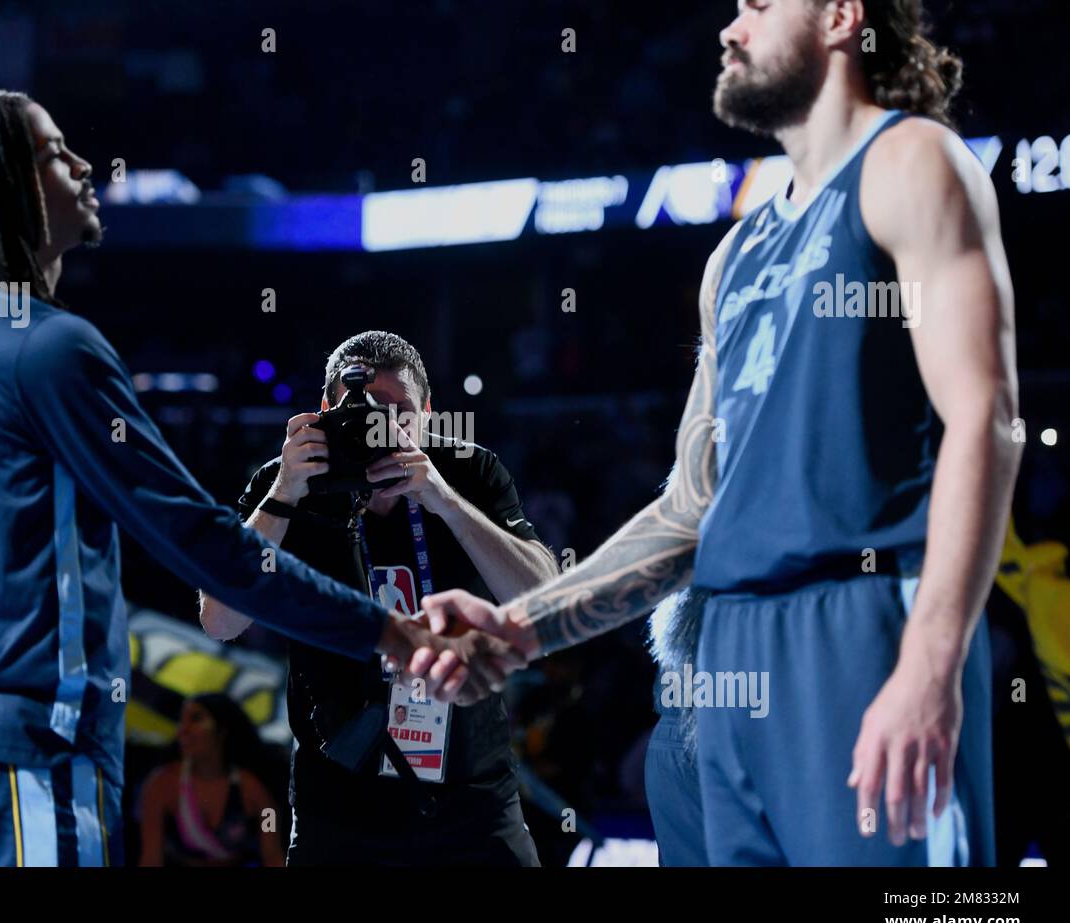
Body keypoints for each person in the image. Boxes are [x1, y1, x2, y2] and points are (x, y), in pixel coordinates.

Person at [422, 0, 1019, 866]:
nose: (730, 29)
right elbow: (687, 510)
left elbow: (987, 419)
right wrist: (514, 628)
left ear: (842, 17)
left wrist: (929, 665)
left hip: (862, 629)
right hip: (730, 656)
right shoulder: (735, 257)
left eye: (758, 6)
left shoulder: (911, 161)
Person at [0, 91, 521, 867]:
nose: (84, 165)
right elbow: (200, 542)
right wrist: (386, 631)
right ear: (1, 184)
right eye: (53, 152)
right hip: (33, 747)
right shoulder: (50, 349)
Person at [199, 331, 558, 866]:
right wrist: (283, 498)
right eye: (364, 409)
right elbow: (218, 621)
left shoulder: (467, 471)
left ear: (430, 415)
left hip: (471, 798)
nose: (382, 427)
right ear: (325, 410)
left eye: (400, 412)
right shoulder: (287, 484)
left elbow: (547, 606)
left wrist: (445, 502)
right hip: (339, 808)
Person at [139, 694, 284, 867]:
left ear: (222, 730)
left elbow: (273, 856)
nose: (182, 730)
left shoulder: (255, 790)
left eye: (195, 719)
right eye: (181, 720)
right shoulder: (161, 784)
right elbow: (151, 859)